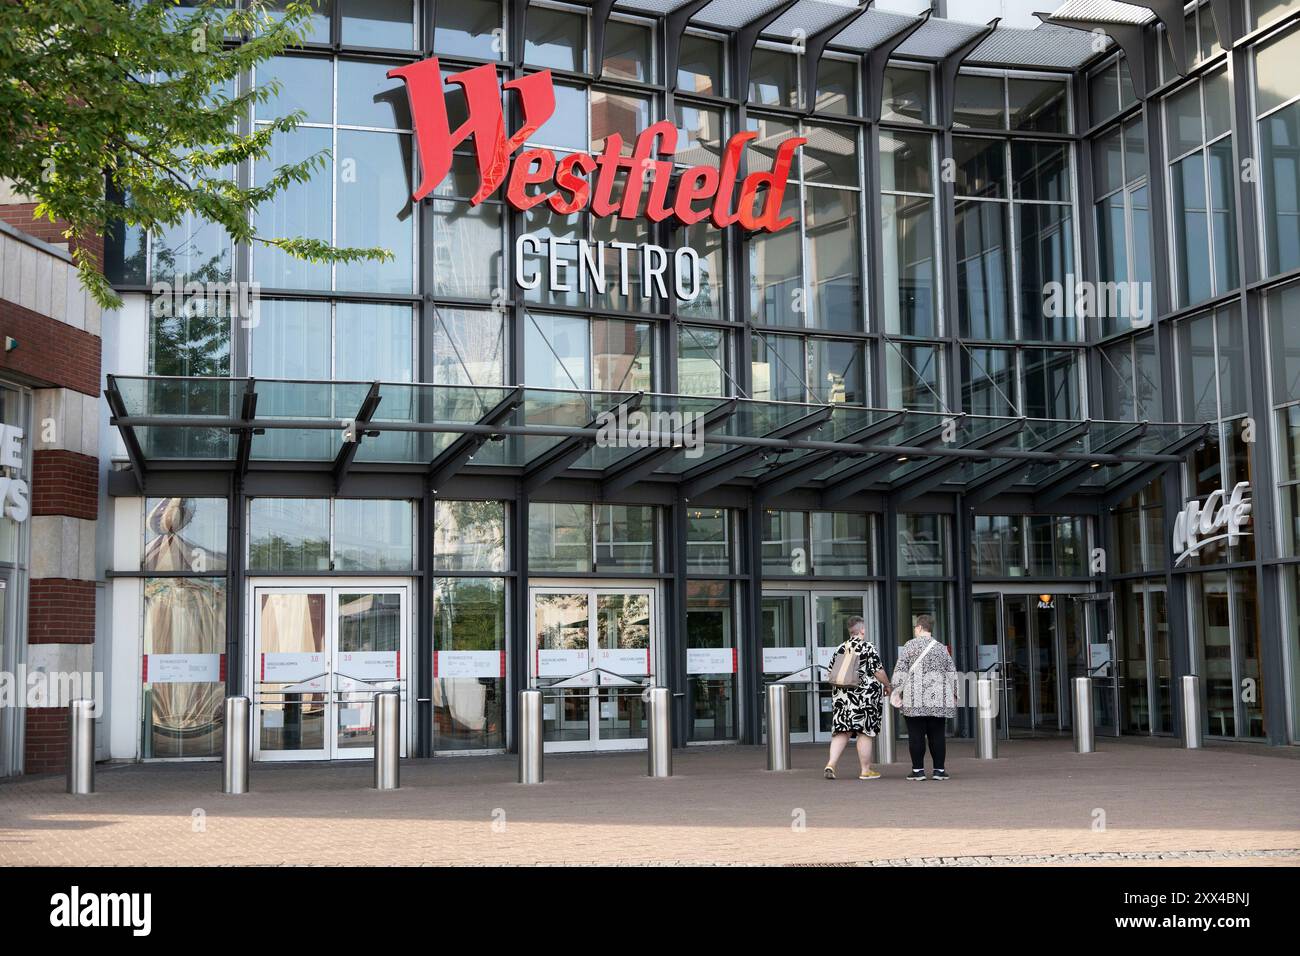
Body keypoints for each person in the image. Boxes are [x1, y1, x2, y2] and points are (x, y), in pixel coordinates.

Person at [823, 616, 891, 780]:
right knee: (864, 732)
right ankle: (865, 770)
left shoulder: (840, 648)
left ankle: (831, 763)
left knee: (842, 731)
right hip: (864, 698)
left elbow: (830, 672)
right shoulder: (868, 647)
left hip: (842, 697)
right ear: (861, 630)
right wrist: (888, 685)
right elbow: (878, 671)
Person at [891, 614, 957, 781]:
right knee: (937, 735)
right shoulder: (941, 647)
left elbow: (901, 670)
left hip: (915, 698)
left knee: (916, 735)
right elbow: (951, 671)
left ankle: (918, 771)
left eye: (915, 627)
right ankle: (939, 771)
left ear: (919, 628)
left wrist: (896, 691)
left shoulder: (909, 646)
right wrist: (955, 694)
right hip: (938, 698)